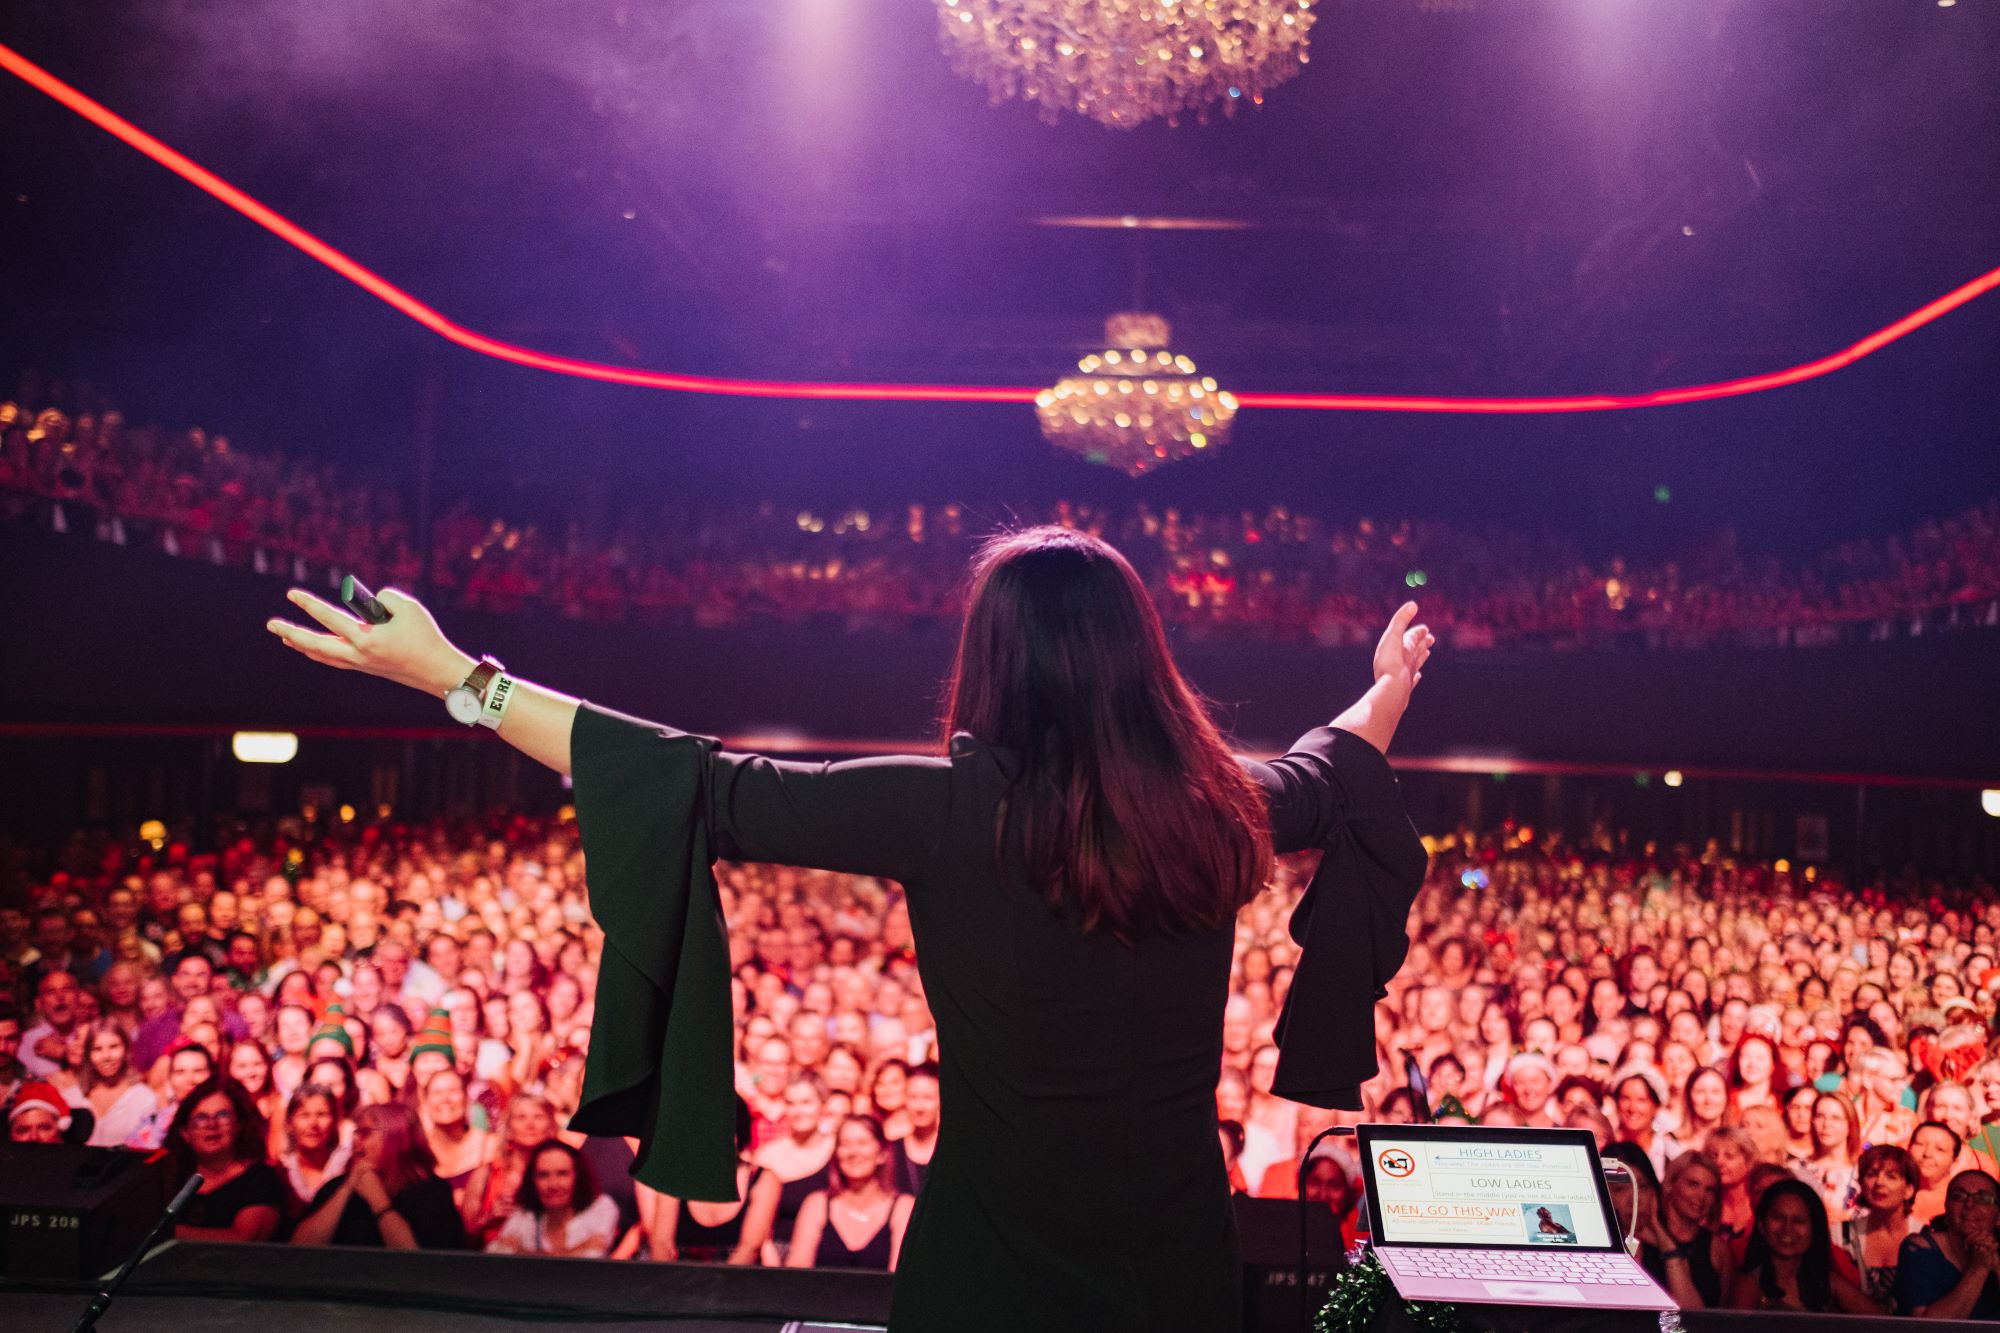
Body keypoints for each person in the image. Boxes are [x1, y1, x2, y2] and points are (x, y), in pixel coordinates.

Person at [266, 527, 1434, 1328]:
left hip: (986, 1258)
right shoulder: (1219, 804)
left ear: (993, 657)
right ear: (1138, 657)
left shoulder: (941, 805)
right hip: (1173, 1255)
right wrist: (1387, 685)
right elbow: (1330, 766)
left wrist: (458, 678)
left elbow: (693, 780)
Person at [290, 1101, 468, 1249]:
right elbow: (299, 1252)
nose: (356, 1140)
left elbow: (419, 1264)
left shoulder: (431, 1193)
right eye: (356, 1132)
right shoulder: (336, 1186)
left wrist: (378, 1201)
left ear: (395, 1137)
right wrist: (346, 1189)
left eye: (365, 1133)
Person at [785, 1115, 914, 1272]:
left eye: (862, 1143)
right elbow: (796, 1274)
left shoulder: (903, 1208)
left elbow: (902, 1277)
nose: (853, 1152)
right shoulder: (817, 1204)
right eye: (845, 1144)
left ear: (882, 1153)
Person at [1728, 1178, 1877, 1313]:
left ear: (1814, 1229)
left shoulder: (1827, 1281)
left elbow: (1881, 1322)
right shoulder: (1748, 1285)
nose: (1787, 1228)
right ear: (1761, 1225)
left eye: (1798, 1220)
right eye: (1778, 1218)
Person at [165, 1077, 285, 1242]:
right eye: (201, 1117)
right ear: (185, 1132)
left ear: (239, 1125)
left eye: (223, 1115)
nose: (211, 1125)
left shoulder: (261, 1178)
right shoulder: (169, 1179)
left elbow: (245, 1240)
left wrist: (167, 1233)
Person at [487, 1139, 621, 1257]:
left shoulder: (601, 1207)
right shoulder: (524, 1215)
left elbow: (592, 1256)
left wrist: (522, 1252)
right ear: (532, 1180)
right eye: (543, 1175)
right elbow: (496, 1255)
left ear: (578, 1177)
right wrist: (579, 1249)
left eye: (562, 1174)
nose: (553, 1185)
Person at [754, 1073, 837, 1264]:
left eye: (806, 1102)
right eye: (791, 1103)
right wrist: (770, 1259)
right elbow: (759, 1223)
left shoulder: (839, 1150)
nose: (798, 1111)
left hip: (828, 1254)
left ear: (823, 1105)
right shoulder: (768, 1156)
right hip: (778, 1255)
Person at [1895, 1168, 2000, 1318]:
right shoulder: (1919, 1248)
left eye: (1983, 1198)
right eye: (1958, 1196)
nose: (1969, 1204)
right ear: (1946, 1208)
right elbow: (1927, 1326)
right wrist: (1979, 1269)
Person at [1638, 1151, 1736, 1309]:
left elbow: (1719, 1314)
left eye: (1709, 1190)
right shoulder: (1640, 1237)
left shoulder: (1718, 1249)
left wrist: (1666, 1245)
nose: (1701, 1197)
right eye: (1693, 1184)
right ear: (1670, 1185)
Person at [1845, 1143, 1920, 1309]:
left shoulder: (1924, 1236)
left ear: (1909, 1190)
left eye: (1891, 1176)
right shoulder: (1841, 1234)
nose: (1879, 1182)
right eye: (1871, 1174)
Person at [76, 1021, 157, 1148]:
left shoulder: (144, 1098)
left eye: (114, 1047)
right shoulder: (74, 1096)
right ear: (88, 1055)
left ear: (126, 1050)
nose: (106, 1056)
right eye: (97, 1049)